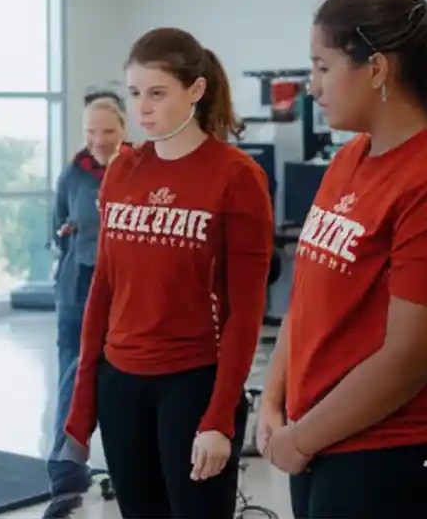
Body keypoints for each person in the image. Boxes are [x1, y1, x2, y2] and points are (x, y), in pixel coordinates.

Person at [258, 0, 427, 519]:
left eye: (322, 67)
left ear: (376, 68)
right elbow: (309, 298)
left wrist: (300, 439)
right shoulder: (351, 159)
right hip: (320, 437)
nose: (312, 86)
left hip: (397, 451)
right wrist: (275, 400)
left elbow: (410, 358)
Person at [64, 28, 274, 519]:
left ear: (196, 91)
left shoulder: (236, 176)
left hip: (193, 382)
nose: (142, 109)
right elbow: (103, 291)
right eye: (135, 94)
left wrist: (220, 416)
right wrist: (83, 402)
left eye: (157, 93)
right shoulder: (123, 170)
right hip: (122, 382)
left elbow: (246, 310)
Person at [44, 91, 129, 518]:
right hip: (78, 285)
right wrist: (67, 233)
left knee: (120, 380)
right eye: (91, 132)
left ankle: (130, 469)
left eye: (108, 131)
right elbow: (57, 224)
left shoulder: (138, 169)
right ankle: (65, 474)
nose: (98, 139)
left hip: (124, 289)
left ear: (124, 130)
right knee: (72, 376)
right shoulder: (74, 173)